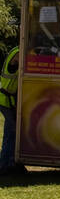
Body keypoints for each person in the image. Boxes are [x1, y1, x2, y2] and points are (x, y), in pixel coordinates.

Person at [0, 45, 22, 174]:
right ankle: (5, 164)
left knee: (12, 132)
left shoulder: (16, 49)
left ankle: (10, 162)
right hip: (5, 99)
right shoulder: (19, 53)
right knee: (11, 132)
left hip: (8, 99)